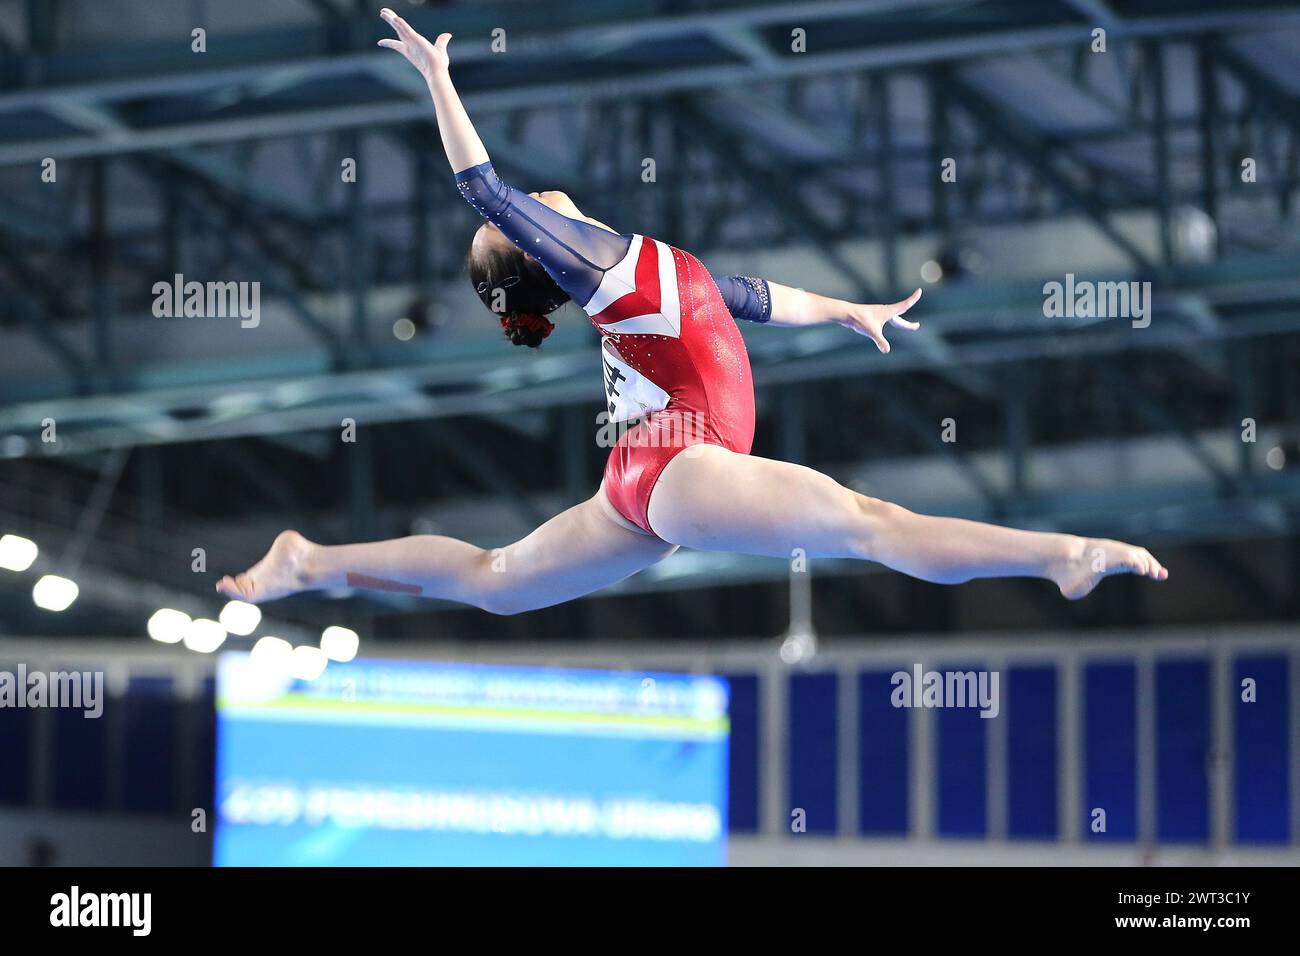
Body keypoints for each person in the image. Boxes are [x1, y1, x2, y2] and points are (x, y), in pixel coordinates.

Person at [216, 9, 1167, 612]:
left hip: (652, 473)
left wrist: (845, 310)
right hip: (683, 461)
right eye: (536, 222)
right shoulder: (595, 266)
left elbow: (748, 300)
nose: (547, 204)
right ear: (542, 248)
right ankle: (1062, 555)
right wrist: (439, 79)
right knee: (868, 522)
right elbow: (485, 189)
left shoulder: (647, 269)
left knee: (494, 582)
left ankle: (312, 560)